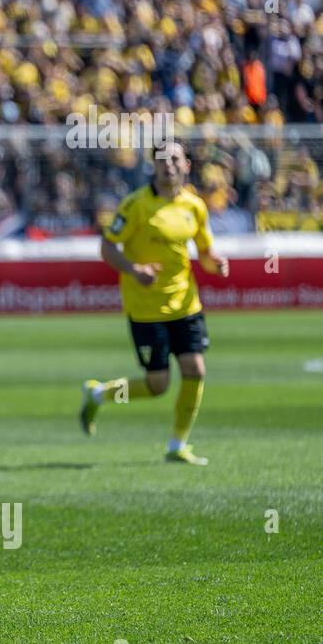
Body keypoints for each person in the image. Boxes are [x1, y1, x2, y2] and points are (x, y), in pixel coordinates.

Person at [79, 141, 229, 465]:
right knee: (157, 385)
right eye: (162, 160)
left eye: (175, 159)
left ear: (187, 165)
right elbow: (107, 247)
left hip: (186, 305)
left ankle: (177, 444)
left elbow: (204, 252)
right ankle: (100, 394)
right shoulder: (135, 205)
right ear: (154, 167)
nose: (169, 165)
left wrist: (215, 262)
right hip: (146, 309)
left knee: (195, 368)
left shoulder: (194, 206)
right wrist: (135, 270)